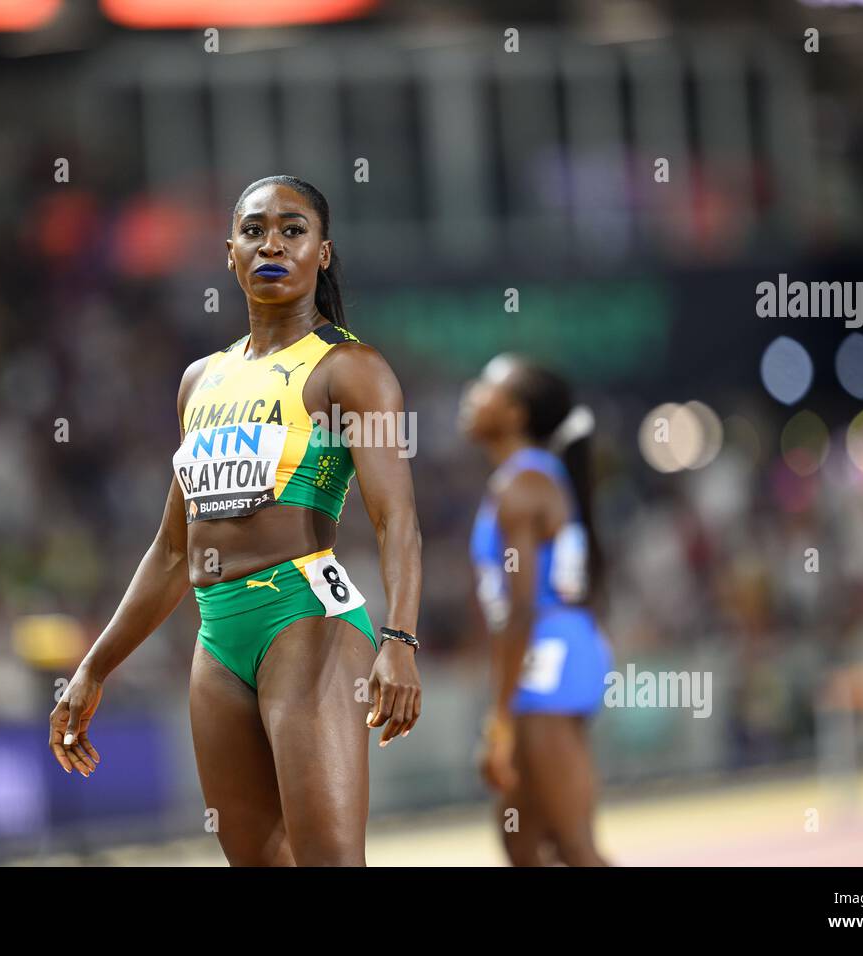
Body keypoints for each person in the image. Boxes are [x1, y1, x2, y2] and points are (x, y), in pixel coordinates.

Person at [49, 175, 422, 866]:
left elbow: (395, 517)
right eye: (254, 230)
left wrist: (399, 639)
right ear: (229, 253)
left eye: (292, 229)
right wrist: (92, 669)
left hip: (304, 617)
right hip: (217, 639)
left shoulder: (348, 368)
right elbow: (169, 551)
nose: (272, 244)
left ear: (324, 252)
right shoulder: (201, 379)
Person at [460, 353, 612, 866]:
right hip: (552, 650)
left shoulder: (520, 487)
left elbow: (519, 610)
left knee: (574, 846)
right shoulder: (526, 480)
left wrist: (498, 721)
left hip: (547, 657)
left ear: (515, 415)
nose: (471, 394)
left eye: (486, 387)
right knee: (521, 842)